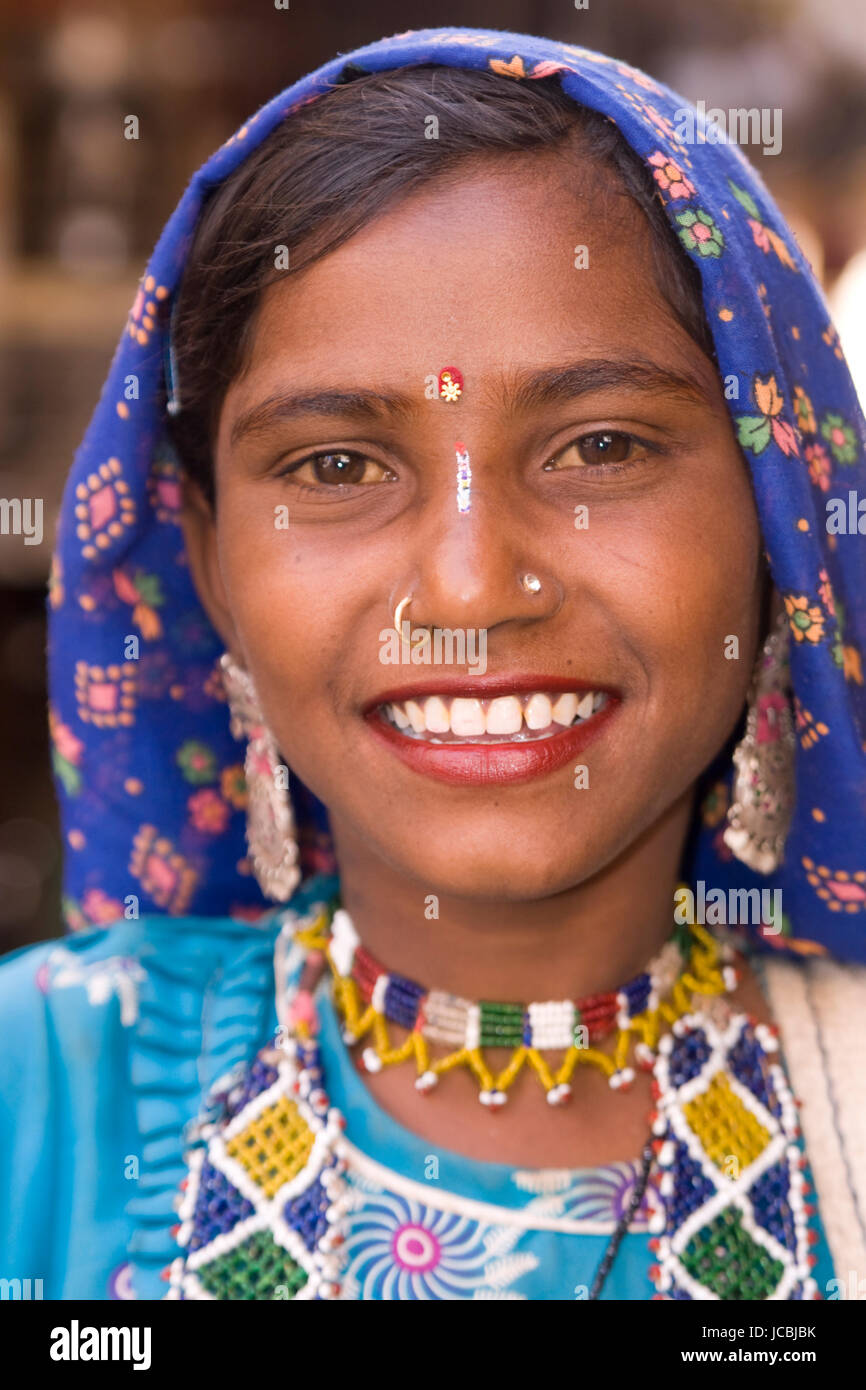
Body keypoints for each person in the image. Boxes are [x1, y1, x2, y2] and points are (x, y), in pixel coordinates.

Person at [1, 26, 865, 1303]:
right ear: (215, 565)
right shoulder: (40, 1099)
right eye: (336, 466)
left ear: (778, 523)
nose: (468, 589)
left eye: (601, 448)